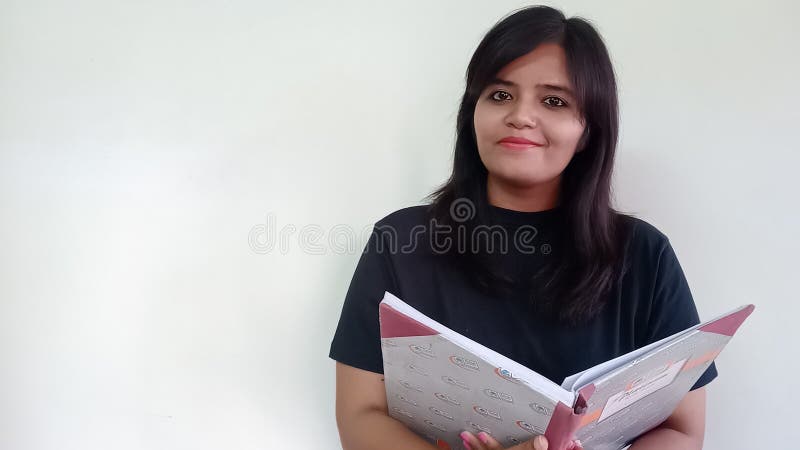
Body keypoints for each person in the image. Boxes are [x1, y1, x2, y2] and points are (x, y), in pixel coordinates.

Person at [329, 5, 715, 450]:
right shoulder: (399, 242)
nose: (520, 116)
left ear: (588, 128)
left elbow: (683, 429)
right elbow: (360, 416)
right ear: (471, 111)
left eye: (554, 101)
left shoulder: (644, 255)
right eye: (499, 95)